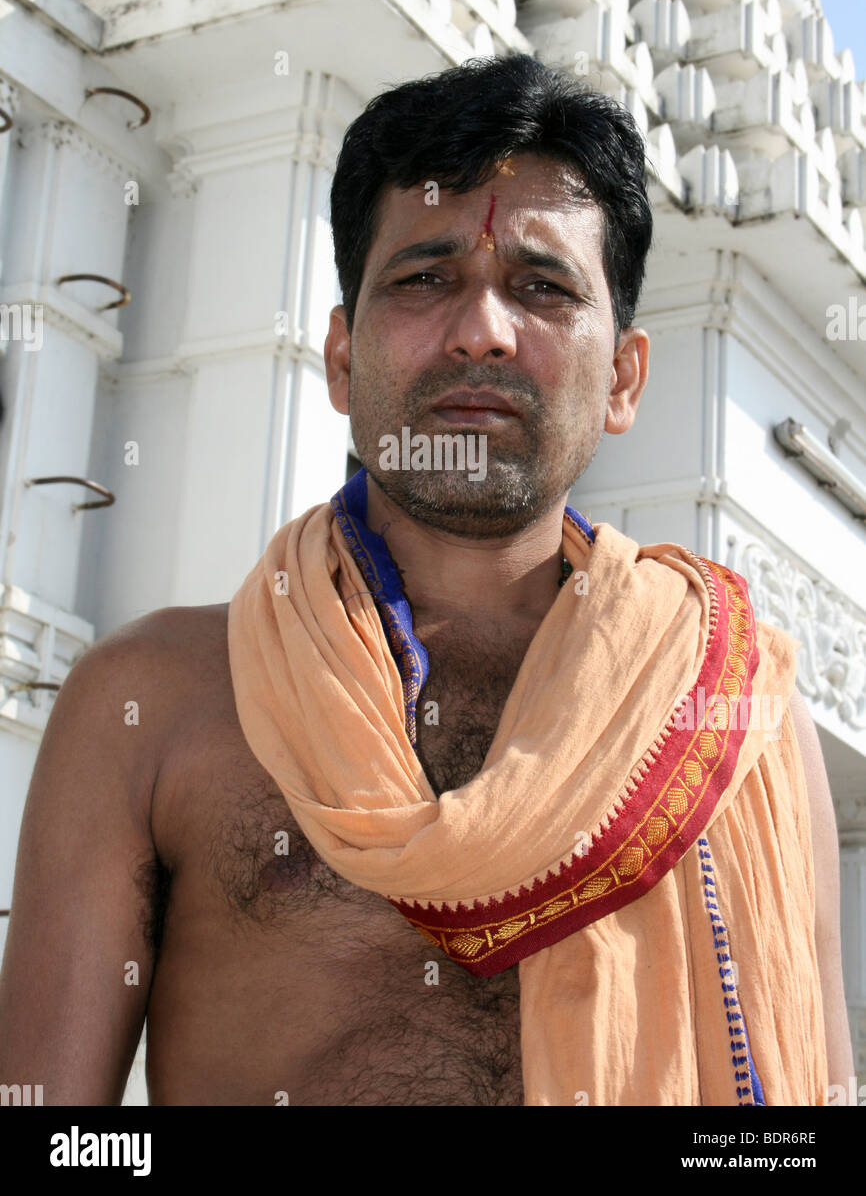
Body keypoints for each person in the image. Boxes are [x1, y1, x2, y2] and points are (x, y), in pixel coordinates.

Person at [0, 55, 853, 1106]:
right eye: (423, 277)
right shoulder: (151, 704)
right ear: (343, 358)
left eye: (541, 286)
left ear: (623, 377)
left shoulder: (733, 713)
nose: (482, 328)